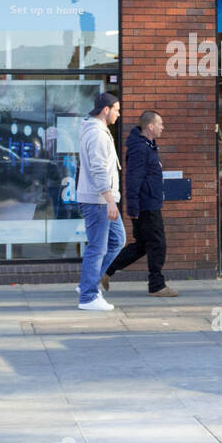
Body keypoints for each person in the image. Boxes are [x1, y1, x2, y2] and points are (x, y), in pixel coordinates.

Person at [104, 110, 178, 297]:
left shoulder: (148, 145)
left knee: (143, 245)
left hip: (149, 203)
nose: (163, 127)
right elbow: (133, 179)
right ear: (150, 126)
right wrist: (133, 207)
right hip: (146, 206)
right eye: (160, 124)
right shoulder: (140, 148)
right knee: (157, 244)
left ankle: (106, 270)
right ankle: (156, 285)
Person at [75, 92, 124, 310]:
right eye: (117, 110)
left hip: (102, 200)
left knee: (118, 240)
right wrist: (110, 201)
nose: (119, 114)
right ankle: (88, 297)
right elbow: (98, 170)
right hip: (99, 201)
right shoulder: (97, 135)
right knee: (97, 247)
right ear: (106, 110)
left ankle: (89, 282)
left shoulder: (99, 132)